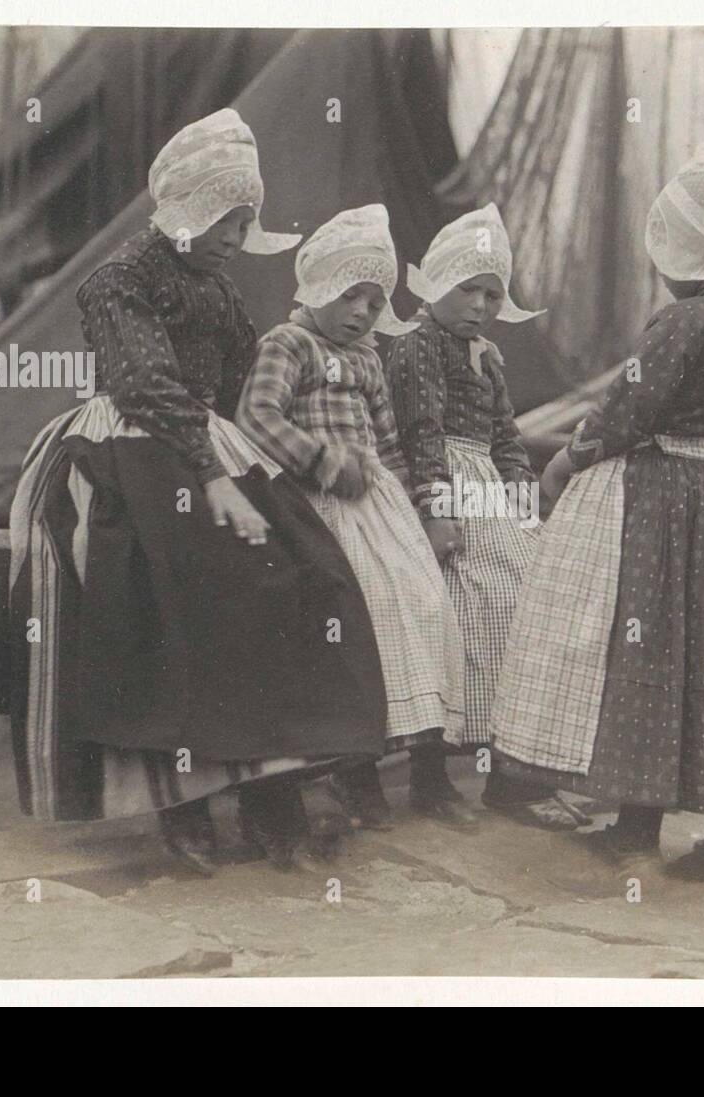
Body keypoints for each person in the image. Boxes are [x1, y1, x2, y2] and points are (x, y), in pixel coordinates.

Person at [9, 109, 387, 876]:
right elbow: (144, 382)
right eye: (225, 217)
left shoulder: (216, 288)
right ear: (187, 208)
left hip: (214, 441)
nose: (235, 234)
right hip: (132, 446)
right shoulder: (119, 281)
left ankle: (266, 787)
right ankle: (181, 801)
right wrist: (212, 477)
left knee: (300, 574)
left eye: (245, 220)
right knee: (171, 587)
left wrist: (301, 435)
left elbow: (250, 375)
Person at [488, 145, 704, 863]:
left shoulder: (684, 321)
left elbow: (632, 405)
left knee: (625, 637)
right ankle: (642, 816)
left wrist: (572, 455)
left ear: (696, 254)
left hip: (652, 496)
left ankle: (631, 823)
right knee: (676, 652)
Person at [235, 204, 473, 831]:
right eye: (350, 296)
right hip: (317, 503)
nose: (363, 313)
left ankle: (427, 767)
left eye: (374, 301)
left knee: (421, 607)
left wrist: (415, 507)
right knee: (358, 620)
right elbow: (256, 417)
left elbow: (390, 442)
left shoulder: (367, 358)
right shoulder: (289, 344)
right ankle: (354, 774)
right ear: (316, 288)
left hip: (377, 505)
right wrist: (320, 460)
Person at [384, 204, 590, 830]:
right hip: (441, 482)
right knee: (453, 614)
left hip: (490, 489)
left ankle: (511, 773)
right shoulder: (417, 346)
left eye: (492, 294)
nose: (479, 305)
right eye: (467, 289)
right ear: (436, 285)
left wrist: (526, 504)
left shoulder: (489, 356)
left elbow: (506, 438)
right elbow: (420, 430)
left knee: (528, 596)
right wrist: (437, 510)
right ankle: (430, 775)